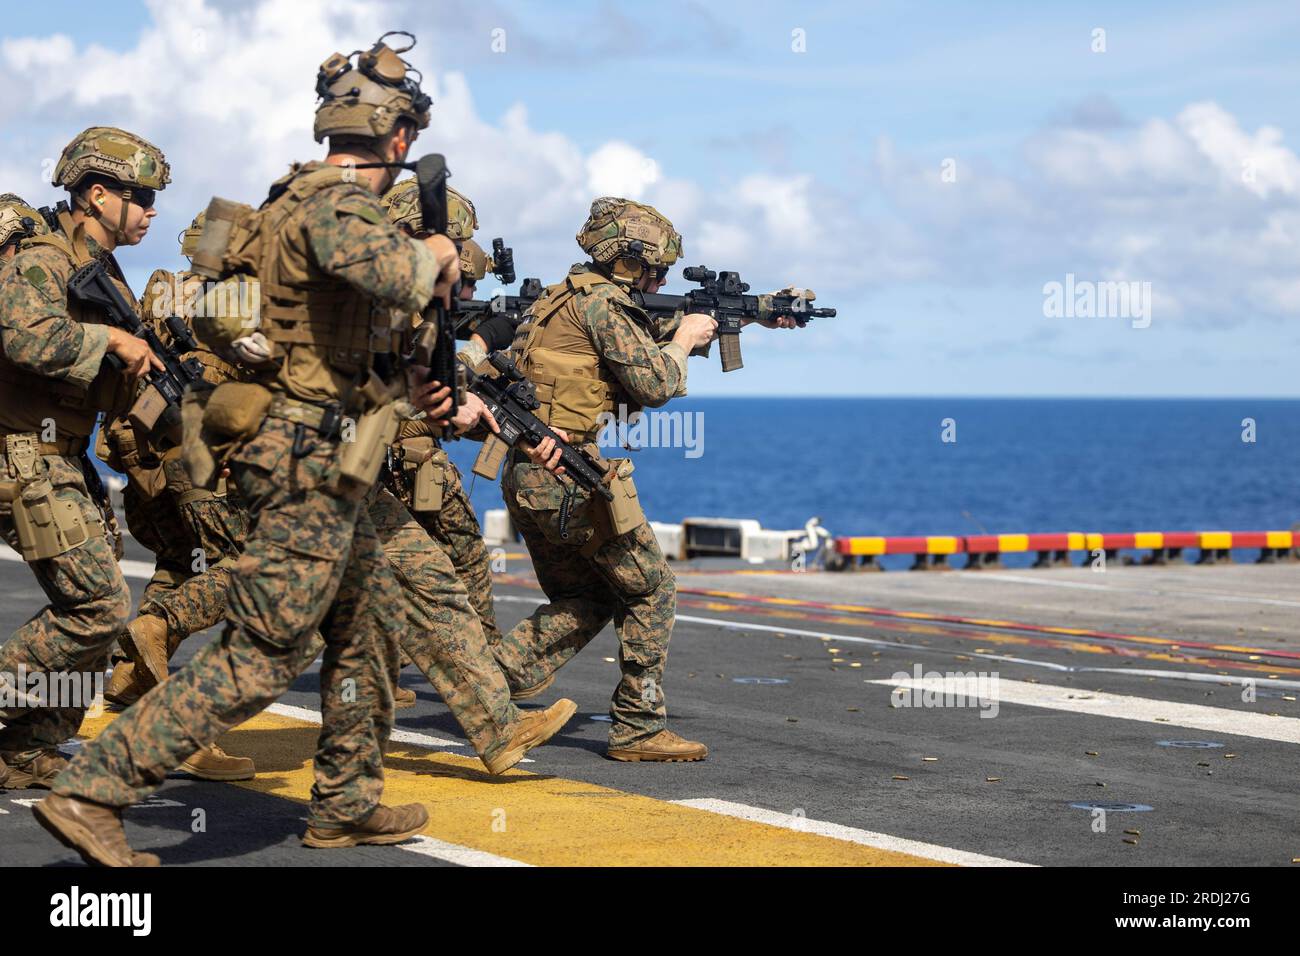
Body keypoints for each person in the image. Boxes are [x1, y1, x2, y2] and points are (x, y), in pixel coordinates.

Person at [33, 33, 463, 865]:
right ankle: (94, 790)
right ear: (400, 137)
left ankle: (346, 800)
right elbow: (405, 275)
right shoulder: (332, 204)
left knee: (366, 625)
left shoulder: (292, 202)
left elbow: (348, 337)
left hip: (330, 447)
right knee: (265, 652)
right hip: (303, 457)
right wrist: (441, 254)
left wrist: (417, 381)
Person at [489, 197, 721, 761]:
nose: (659, 278)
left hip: (527, 471)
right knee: (652, 588)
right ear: (628, 261)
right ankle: (639, 727)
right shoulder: (603, 306)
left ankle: (489, 681)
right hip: (569, 475)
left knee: (585, 594)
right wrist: (687, 337)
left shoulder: (559, 299)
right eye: (654, 268)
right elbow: (655, 384)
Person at [0, 128, 169, 791]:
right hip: (21, 454)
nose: (152, 211)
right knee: (96, 605)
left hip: (64, 457)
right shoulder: (39, 258)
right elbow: (23, 336)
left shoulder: (103, 274)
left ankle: (26, 749)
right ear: (97, 195)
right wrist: (111, 341)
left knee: (102, 616)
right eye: (142, 197)